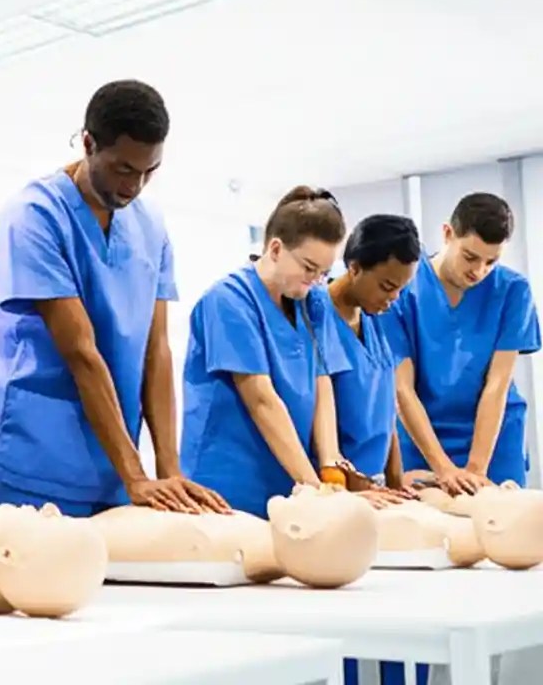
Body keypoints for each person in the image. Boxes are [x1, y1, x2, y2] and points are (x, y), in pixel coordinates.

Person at [0, 79, 228, 518]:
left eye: (149, 171)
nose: (135, 186)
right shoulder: (34, 217)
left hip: (118, 468)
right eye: (123, 169)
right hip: (43, 461)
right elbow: (81, 352)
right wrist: (136, 473)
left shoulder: (150, 225)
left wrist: (167, 469)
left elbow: (157, 348)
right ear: (88, 143)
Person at [180, 187, 372, 518]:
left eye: (324, 273)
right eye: (309, 267)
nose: (316, 280)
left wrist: (330, 469)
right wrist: (314, 489)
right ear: (276, 248)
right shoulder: (228, 300)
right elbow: (262, 400)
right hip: (227, 484)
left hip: (289, 482)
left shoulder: (313, 302)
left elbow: (322, 382)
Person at [384, 193, 541, 493]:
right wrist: (442, 467)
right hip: (422, 435)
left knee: (497, 524)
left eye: (491, 262)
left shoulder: (513, 290)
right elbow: (401, 388)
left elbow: (497, 384)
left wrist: (476, 470)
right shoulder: (404, 289)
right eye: (470, 257)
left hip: (493, 439)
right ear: (447, 234)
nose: (479, 271)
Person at [325, 215, 422, 489]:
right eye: (387, 287)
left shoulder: (375, 320)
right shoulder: (317, 318)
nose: (393, 299)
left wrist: (396, 484)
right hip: (336, 487)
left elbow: (385, 412)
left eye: (401, 290)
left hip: (373, 485)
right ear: (354, 268)